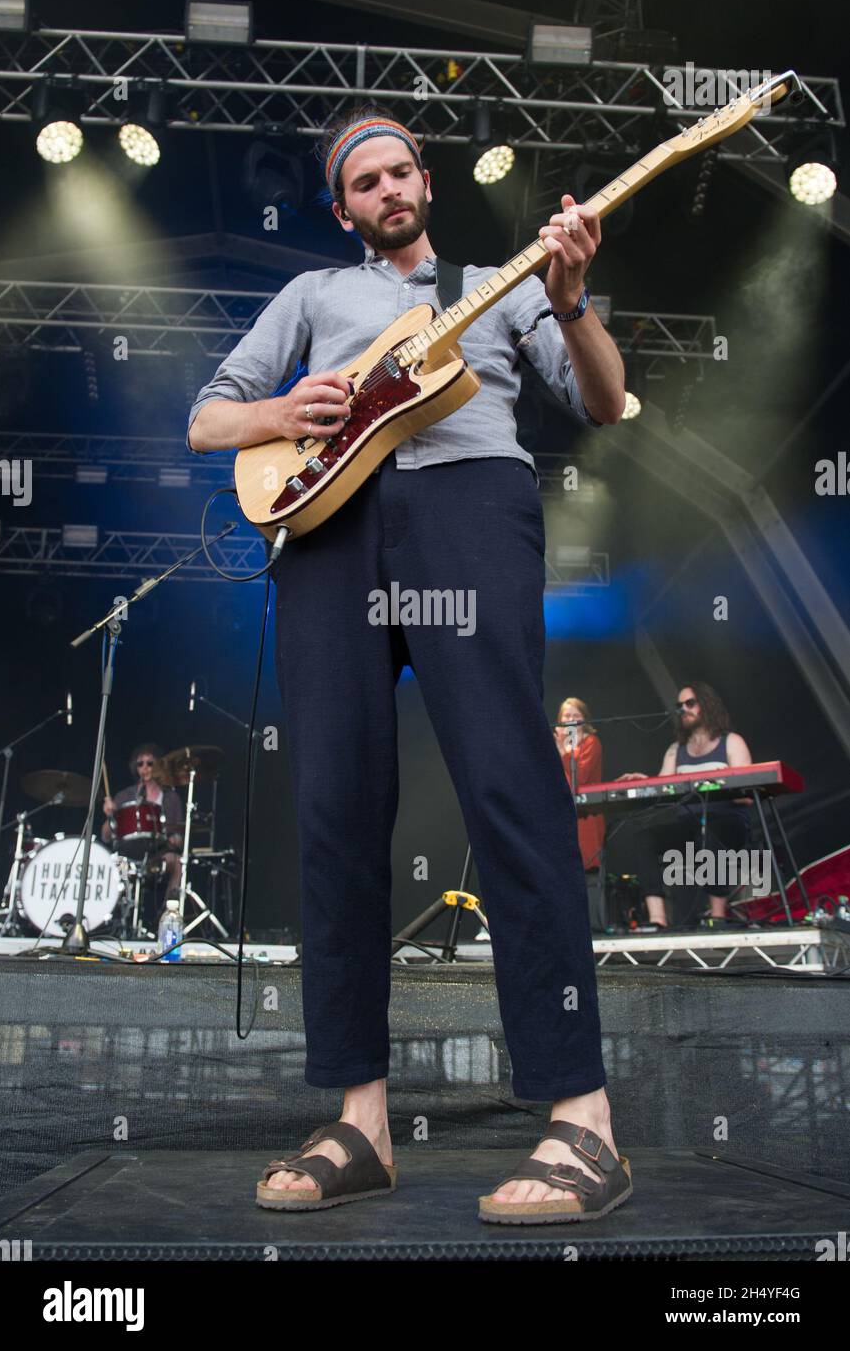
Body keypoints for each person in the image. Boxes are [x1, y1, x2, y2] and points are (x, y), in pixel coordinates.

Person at [188, 104, 631, 1223]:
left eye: (400, 171)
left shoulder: (507, 280)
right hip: (330, 527)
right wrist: (284, 407)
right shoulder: (312, 298)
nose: (387, 189)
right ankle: (360, 1122)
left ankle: (582, 1121)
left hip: (468, 507)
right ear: (343, 210)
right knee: (335, 810)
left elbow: (602, 398)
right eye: (365, 181)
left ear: (424, 182)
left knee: (510, 786)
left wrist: (570, 300)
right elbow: (207, 421)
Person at [617, 682, 753, 928]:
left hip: (728, 823)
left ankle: (718, 916)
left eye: (690, 703)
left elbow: (747, 795)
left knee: (710, 833)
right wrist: (644, 782)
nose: (684, 710)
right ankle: (658, 919)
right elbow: (664, 787)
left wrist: (711, 785)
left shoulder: (731, 742)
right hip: (688, 823)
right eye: (679, 706)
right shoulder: (675, 750)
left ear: (707, 705)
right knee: (644, 838)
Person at [101, 744, 183, 894]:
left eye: (150, 763)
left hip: (157, 857)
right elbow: (105, 837)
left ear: (158, 765)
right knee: (113, 869)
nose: (145, 767)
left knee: (178, 862)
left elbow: (179, 832)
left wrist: (176, 839)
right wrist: (110, 815)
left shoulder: (171, 798)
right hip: (126, 858)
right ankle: (120, 913)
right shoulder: (124, 796)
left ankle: (169, 913)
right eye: (140, 764)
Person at [554, 697, 605, 873]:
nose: (571, 720)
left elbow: (579, 778)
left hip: (585, 817)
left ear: (584, 720)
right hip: (560, 814)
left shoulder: (591, 742)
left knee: (586, 873)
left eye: (576, 715)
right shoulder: (554, 743)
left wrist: (563, 751)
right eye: (566, 716)